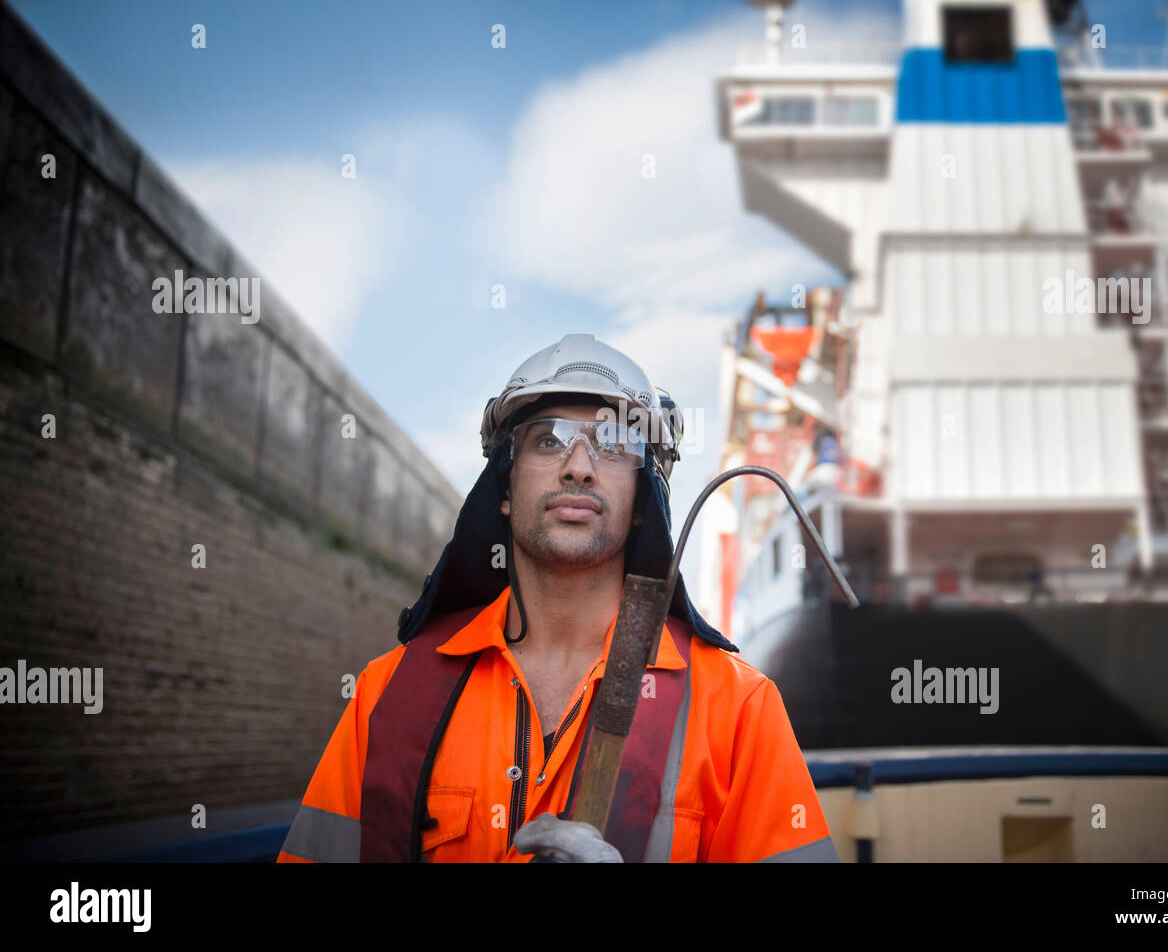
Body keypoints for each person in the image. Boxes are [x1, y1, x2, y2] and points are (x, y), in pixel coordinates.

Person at [277, 334, 837, 863]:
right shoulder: (385, 695)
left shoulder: (738, 710)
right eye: (547, 439)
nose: (578, 466)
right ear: (504, 484)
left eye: (613, 443)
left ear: (643, 501)